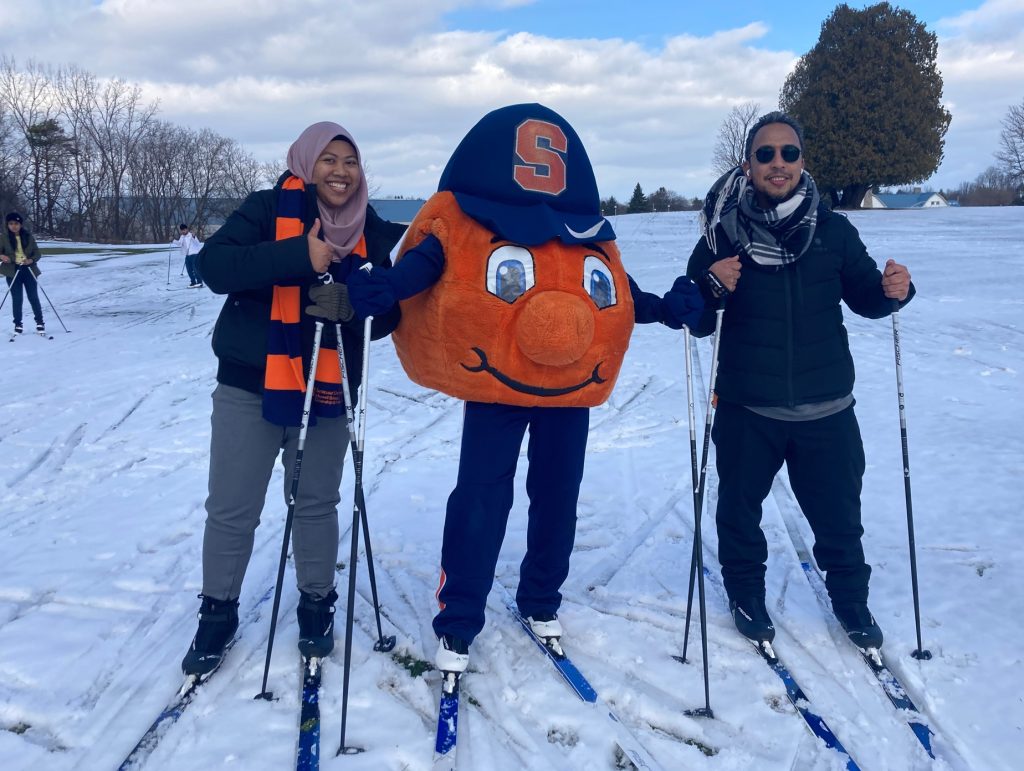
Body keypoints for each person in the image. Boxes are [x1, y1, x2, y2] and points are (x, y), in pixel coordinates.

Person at [347, 103, 703, 676]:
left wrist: (665, 308)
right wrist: (385, 288)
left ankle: (541, 598)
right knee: (481, 499)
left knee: (558, 496)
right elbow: (430, 264)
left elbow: (612, 288)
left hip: (568, 388)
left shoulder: (580, 234)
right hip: (500, 388)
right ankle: (459, 619)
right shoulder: (472, 221)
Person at [181, 122, 406, 677]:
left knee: (315, 503)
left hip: (328, 385)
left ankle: (315, 604)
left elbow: (391, 312)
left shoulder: (372, 232)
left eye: (350, 161)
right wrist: (297, 258)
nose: (339, 170)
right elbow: (214, 268)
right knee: (232, 506)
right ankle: (218, 613)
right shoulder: (264, 209)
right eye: (328, 159)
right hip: (248, 385)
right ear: (307, 162)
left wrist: (356, 310)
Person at [685, 111, 915, 651]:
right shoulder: (722, 235)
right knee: (739, 516)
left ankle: (852, 604)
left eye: (789, 153)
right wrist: (711, 285)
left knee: (840, 520)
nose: (778, 163)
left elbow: (866, 297)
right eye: (765, 154)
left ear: (802, 161)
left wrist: (894, 290)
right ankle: (745, 594)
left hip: (827, 408)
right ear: (748, 165)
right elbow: (695, 317)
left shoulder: (833, 229)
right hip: (747, 407)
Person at [0, 212, 45, 335]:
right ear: (7, 225)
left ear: (20, 224)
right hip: (12, 270)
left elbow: (37, 253)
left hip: (28, 269)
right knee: (17, 298)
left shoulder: (28, 236)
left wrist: (31, 260)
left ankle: (40, 322)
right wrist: (3, 256)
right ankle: (18, 324)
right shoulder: (3, 238)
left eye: (16, 223)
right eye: (11, 224)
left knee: (33, 297)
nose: (14, 226)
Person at [172, 224, 204, 288]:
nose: (183, 231)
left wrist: (194, 236)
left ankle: (199, 282)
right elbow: (179, 244)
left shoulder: (191, 235)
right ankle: (193, 282)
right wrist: (173, 240)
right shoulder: (182, 237)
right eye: (182, 230)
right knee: (189, 270)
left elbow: (197, 243)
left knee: (195, 269)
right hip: (187, 255)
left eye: (184, 230)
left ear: (187, 229)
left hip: (194, 254)